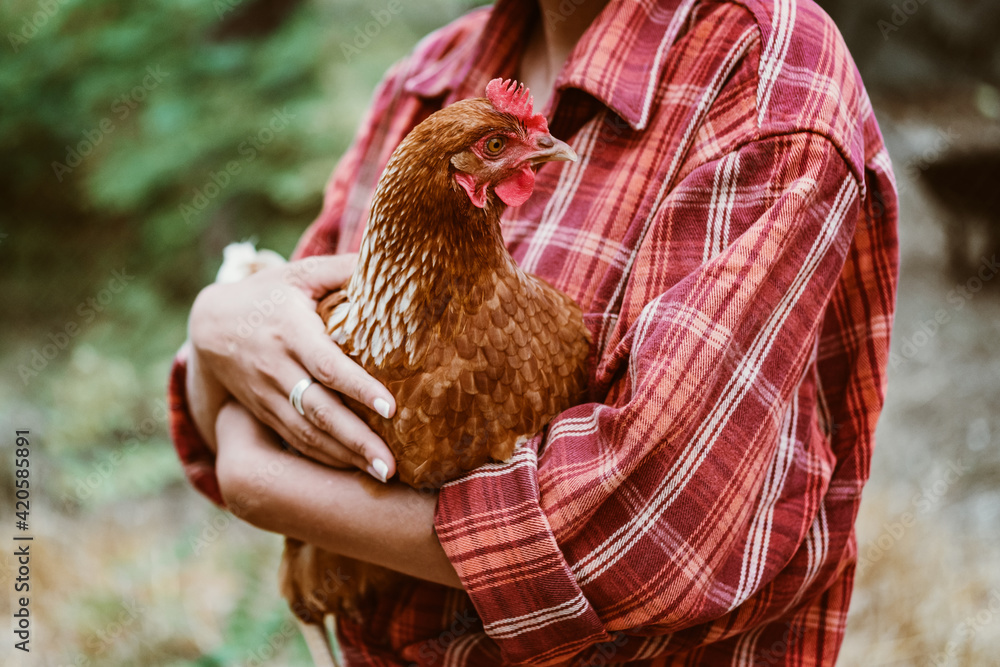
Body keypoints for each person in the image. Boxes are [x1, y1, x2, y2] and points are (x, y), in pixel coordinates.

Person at [168, 0, 899, 663]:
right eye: (496, 149)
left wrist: (266, 486)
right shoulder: (428, 76)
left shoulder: (767, 80)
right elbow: (255, 387)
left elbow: (648, 533)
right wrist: (214, 329)